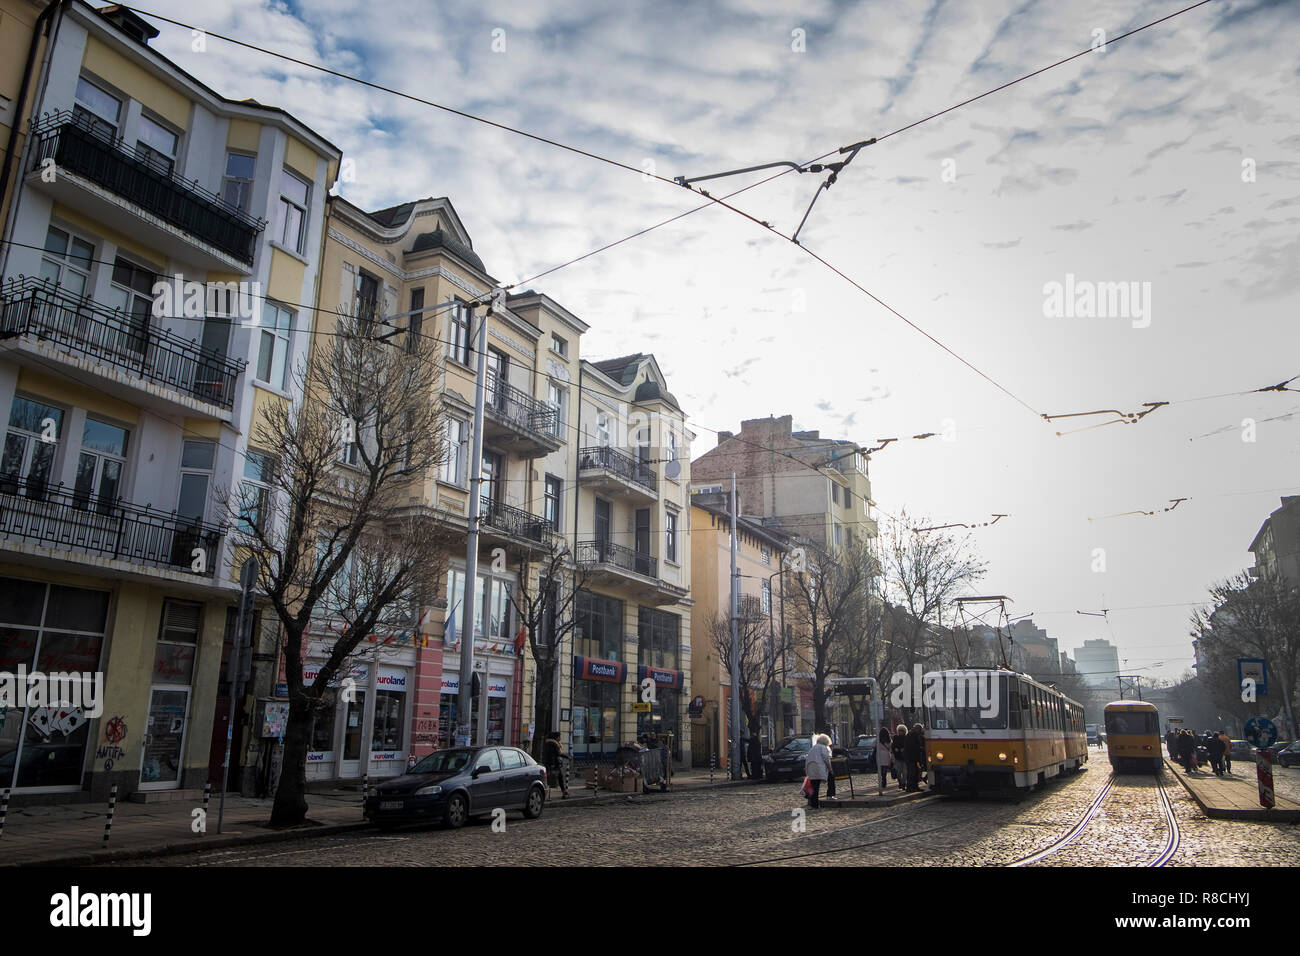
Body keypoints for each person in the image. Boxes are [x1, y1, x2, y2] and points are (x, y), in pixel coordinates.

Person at [805, 733, 832, 809]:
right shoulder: (823, 748)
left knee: (813, 787)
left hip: (811, 768)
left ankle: (813, 803)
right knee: (816, 787)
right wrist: (830, 768)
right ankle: (815, 804)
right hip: (818, 768)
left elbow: (807, 759)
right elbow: (826, 759)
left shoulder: (813, 748)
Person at [542, 731, 570, 797]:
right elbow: (558, 753)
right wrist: (568, 757)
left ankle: (549, 795)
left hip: (547, 763)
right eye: (559, 737)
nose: (560, 738)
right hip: (554, 764)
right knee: (559, 778)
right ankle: (563, 792)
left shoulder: (547, 742)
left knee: (548, 779)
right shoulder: (554, 743)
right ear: (556, 737)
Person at [904, 723, 926, 791]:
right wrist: (920, 748)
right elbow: (912, 747)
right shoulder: (912, 735)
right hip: (911, 757)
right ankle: (910, 787)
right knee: (912, 772)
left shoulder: (914, 735)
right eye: (919, 729)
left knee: (915, 772)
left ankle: (914, 786)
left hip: (914, 757)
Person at [875, 727, 893, 795]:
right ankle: (884, 780)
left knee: (880, 768)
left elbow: (873, 745)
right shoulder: (889, 739)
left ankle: (882, 780)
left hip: (879, 755)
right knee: (885, 768)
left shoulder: (878, 739)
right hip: (886, 755)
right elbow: (891, 747)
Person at [891, 725, 908, 791]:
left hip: (904, 757)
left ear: (904, 731)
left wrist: (904, 749)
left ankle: (903, 783)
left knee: (905, 772)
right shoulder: (895, 737)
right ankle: (900, 782)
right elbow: (893, 745)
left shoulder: (906, 738)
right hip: (898, 757)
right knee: (898, 771)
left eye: (902, 731)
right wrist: (895, 749)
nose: (900, 732)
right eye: (899, 731)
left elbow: (907, 745)